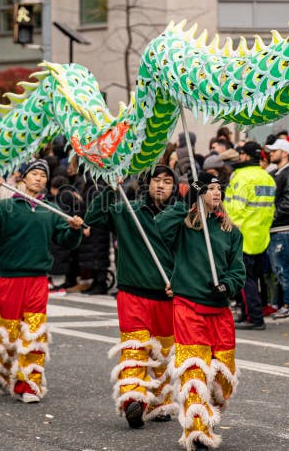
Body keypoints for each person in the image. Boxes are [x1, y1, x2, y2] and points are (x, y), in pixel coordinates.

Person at [0, 159, 84, 403]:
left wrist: (74, 229)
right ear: (23, 178)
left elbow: (66, 240)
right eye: (34, 174)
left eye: (43, 175)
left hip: (38, 280)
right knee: (7, 333)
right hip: (10, 279)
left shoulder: (50, 209)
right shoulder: (7, 207)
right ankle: (3, 369)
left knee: (35, 332)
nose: (39, 178)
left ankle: (29, 383)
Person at [156, 172, 245, 451]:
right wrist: (187, 198)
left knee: (222, 377)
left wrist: (228, 286)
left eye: (219, 188)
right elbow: (160, 224)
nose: (216, 193)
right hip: (188, 306)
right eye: (209, 188)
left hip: (219, 310)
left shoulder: (231, 231)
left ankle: (209, 409)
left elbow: (238, 271)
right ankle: (197, 430)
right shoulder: (184, 226)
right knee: (194, 371)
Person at [85, 165, 178, 428]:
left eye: (167, 181)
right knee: (135, 349)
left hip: (167, 295)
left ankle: (161, 403)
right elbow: (94, 217)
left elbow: (191, 253)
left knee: (163, 354)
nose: (161, 185)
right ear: (146, 184)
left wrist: (181, 281)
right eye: (156, 180)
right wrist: (108, 188)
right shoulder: (127, 210)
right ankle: (133, 400)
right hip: (133, 294)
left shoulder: (180, 214)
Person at [223, 141, 275, 330]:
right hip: (260, 236)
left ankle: (254, 317)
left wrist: (227, 229)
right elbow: (270, 210)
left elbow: (234, 208)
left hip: (242, 234)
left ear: (244, 156)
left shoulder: (240, 176)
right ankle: (249, 313)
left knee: (246, 280)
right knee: (253, 278)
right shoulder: (267, 177)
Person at [265, 138, 289, 319]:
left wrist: (272, 216)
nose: (270, 153)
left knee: (284, 269)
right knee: (280, 269)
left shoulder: (288, 173)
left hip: (284, 229)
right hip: (279, 229)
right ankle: (288, 304)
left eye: (275, 150)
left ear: (285, 153)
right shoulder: (279, 172)